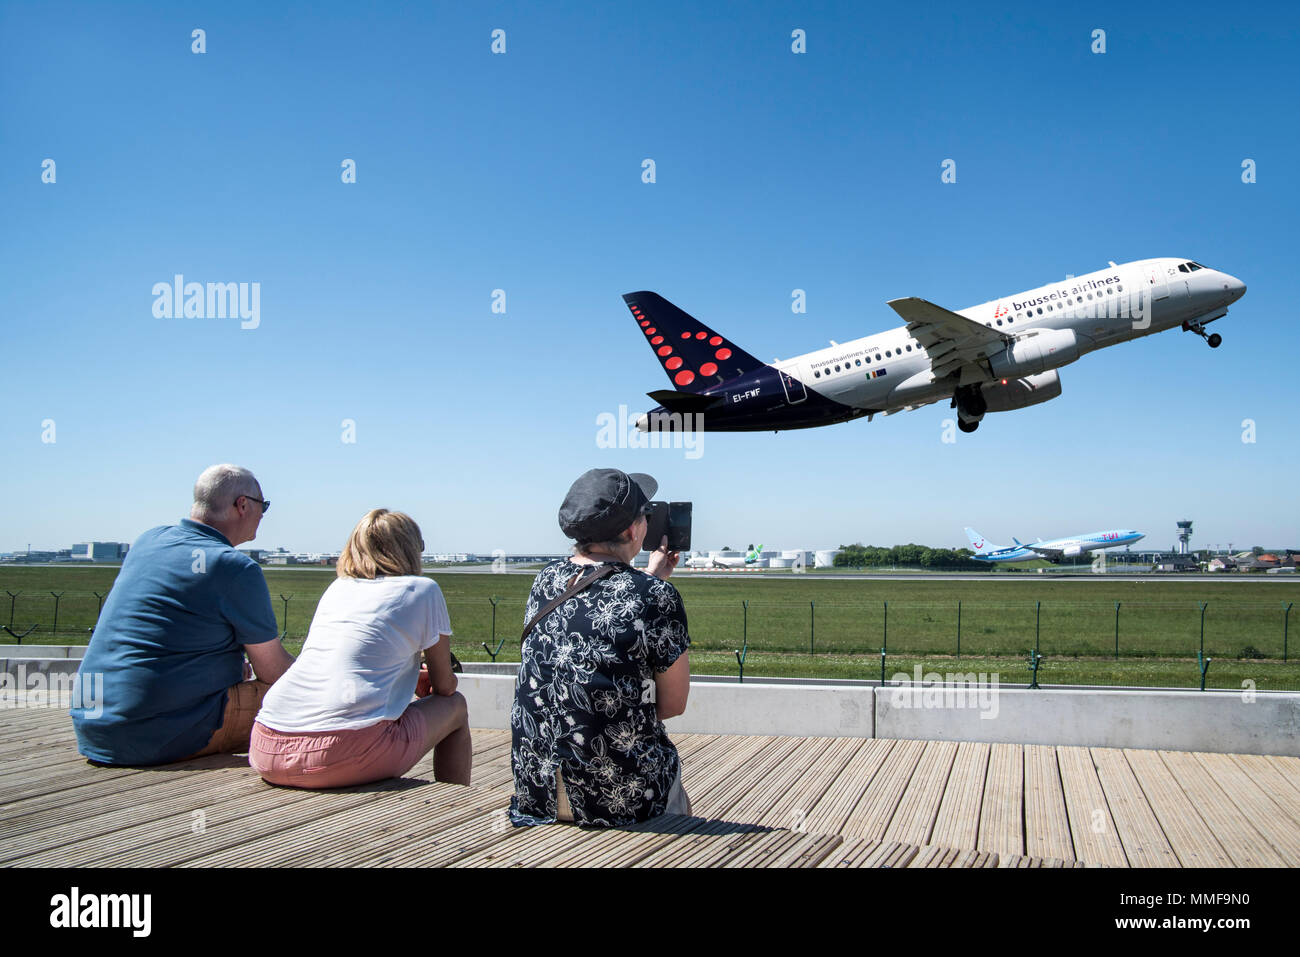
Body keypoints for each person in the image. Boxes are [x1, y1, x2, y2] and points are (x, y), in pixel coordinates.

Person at [71, 464, 295, 766]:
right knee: (300, 697)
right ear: (242, 505)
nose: (263, 514)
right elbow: (274, 673)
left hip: (93, 726)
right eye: (262, 505)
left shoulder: (147, 541)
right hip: (152, 733)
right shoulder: (234, 567)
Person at [510, 468, 691, 827]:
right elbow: (673, 705)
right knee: (675, 792)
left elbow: (592, 613)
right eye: (646, 517)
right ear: (630, 531)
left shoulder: (545, 581)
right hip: (617, 800)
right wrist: (653, 585)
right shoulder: (656, 597)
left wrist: (651, 577)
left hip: (539, 792)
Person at [249, 509, 471, 789]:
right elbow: (445, 687)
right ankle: (454, 800)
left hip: (267, 747)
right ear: (410, 550)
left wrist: (406, 676)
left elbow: (347, 661)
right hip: (340, 754)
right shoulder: (423, 589)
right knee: (456, 706)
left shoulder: (337, 588)